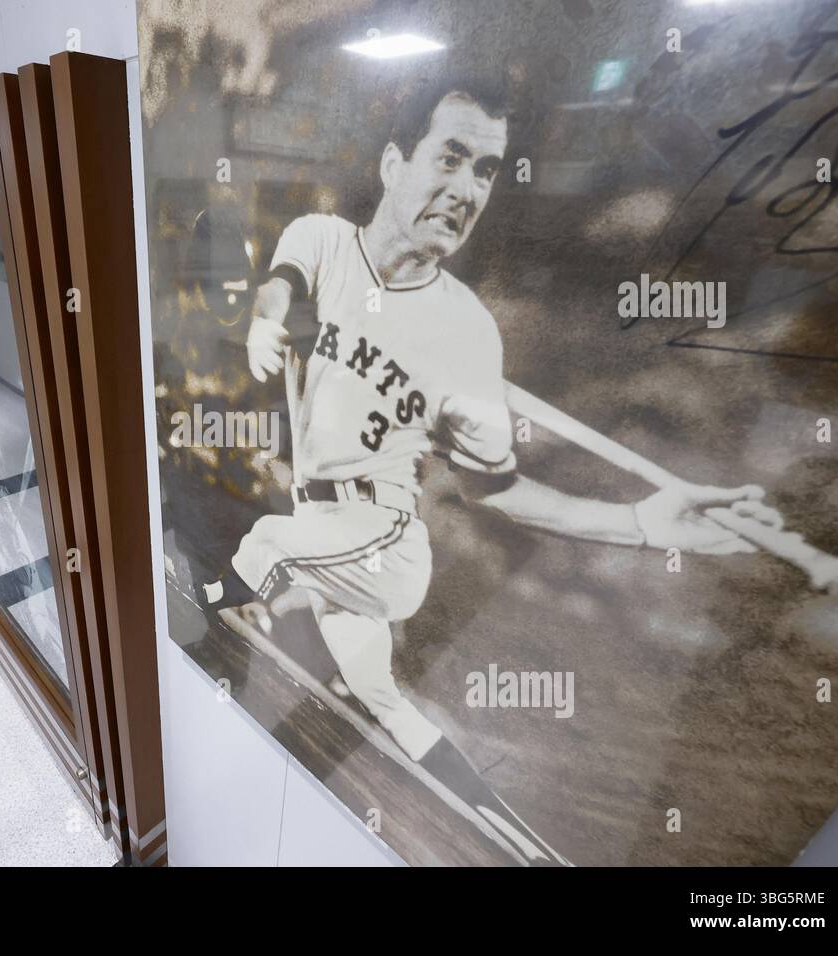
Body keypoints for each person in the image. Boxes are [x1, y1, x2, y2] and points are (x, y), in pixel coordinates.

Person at [197, 76, 781, 865]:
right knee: (380, 695)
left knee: (266, 542)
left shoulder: (469, 334)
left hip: (384, 539)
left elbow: (499, 491)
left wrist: (642, 522)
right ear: (395, 162)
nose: (467, 188)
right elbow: (282, 283)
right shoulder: (323, 238)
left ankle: (190, 616)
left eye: (486, 170)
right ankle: (510, 835)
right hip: (329, 536)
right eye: (452, 158)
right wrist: (266, 323)